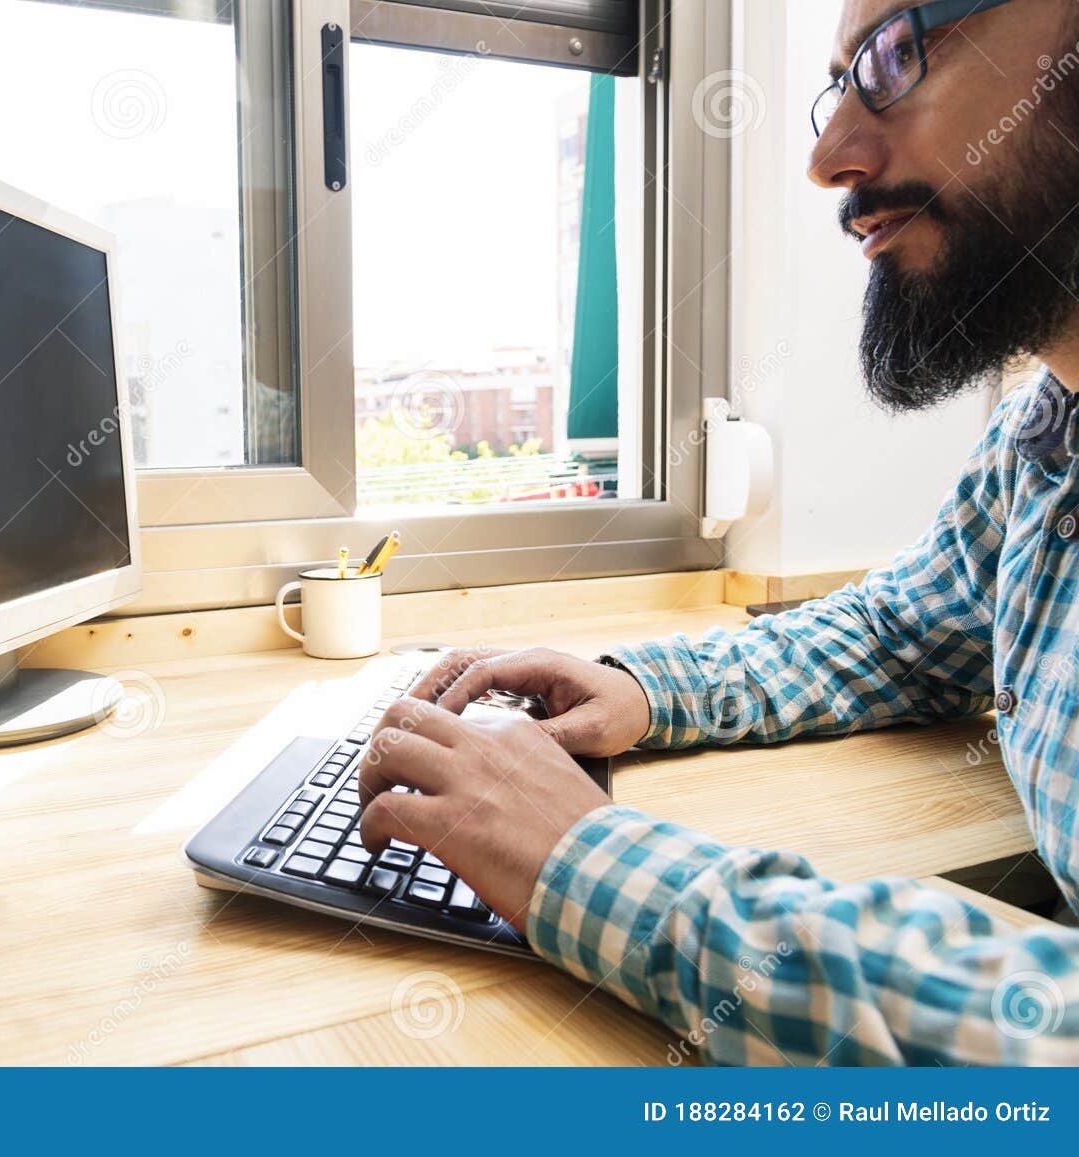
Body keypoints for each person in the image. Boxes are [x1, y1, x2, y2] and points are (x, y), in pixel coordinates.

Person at [360, 0, 1079, 1065]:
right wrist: (645, 687)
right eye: (838, 85)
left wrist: (588, 861)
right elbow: (895, 633)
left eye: (893, 55)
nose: (829, 157)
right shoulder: (1044, 434)